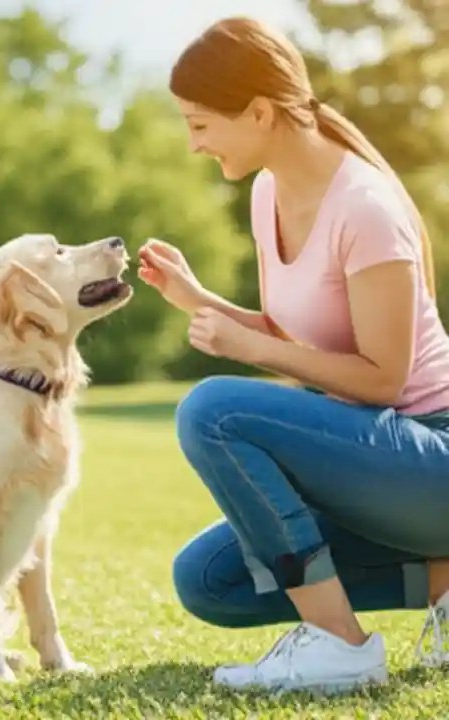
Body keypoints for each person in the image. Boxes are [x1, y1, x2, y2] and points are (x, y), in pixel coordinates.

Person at [138, 16, 449, 694]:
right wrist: (201, 303)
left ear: (257, 112)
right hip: (379, 460)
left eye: (199, 125)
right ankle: (443, 581)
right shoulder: (268, 192)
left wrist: (243, 345)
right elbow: (293, 340)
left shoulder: (364, 207)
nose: (193, 144)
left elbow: (383, 379)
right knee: (210, 581)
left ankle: (340, 647)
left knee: (210, 410)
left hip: (434, 454)